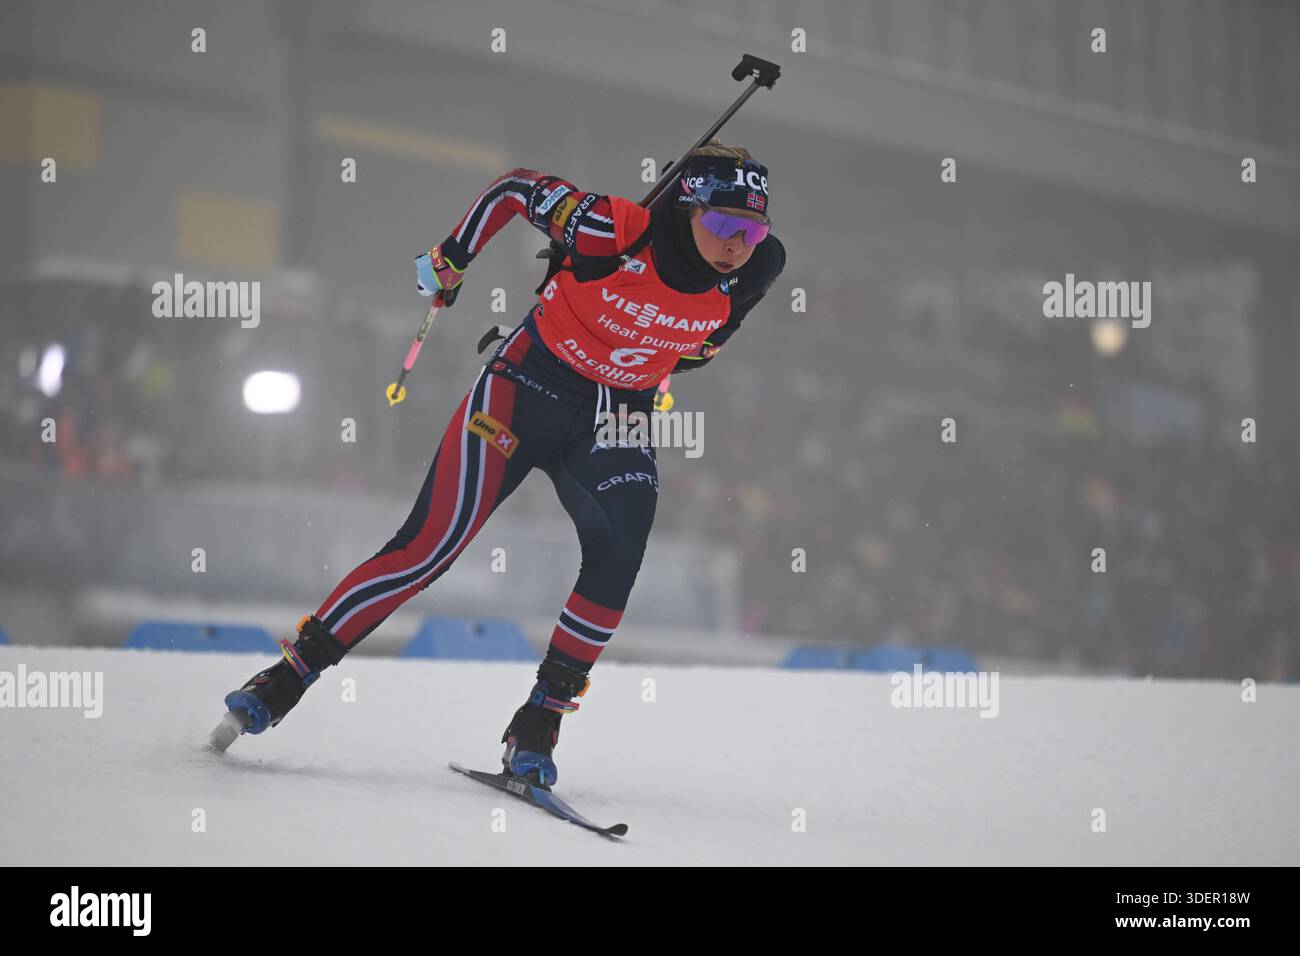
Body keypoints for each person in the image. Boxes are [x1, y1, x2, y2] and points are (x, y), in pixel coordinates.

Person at [220, 139, 787, 788]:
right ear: (684, 209)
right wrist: (451, 257)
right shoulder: (609, 227)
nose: (738, 242)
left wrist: (650, 344)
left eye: (752, 227)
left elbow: (706, 343)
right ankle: (288, 675)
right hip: (527, 388)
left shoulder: (759, 267)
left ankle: (538, 723)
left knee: (620, 553)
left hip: (617, 413)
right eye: (722, 224)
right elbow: (515, 188)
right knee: (429, 548)